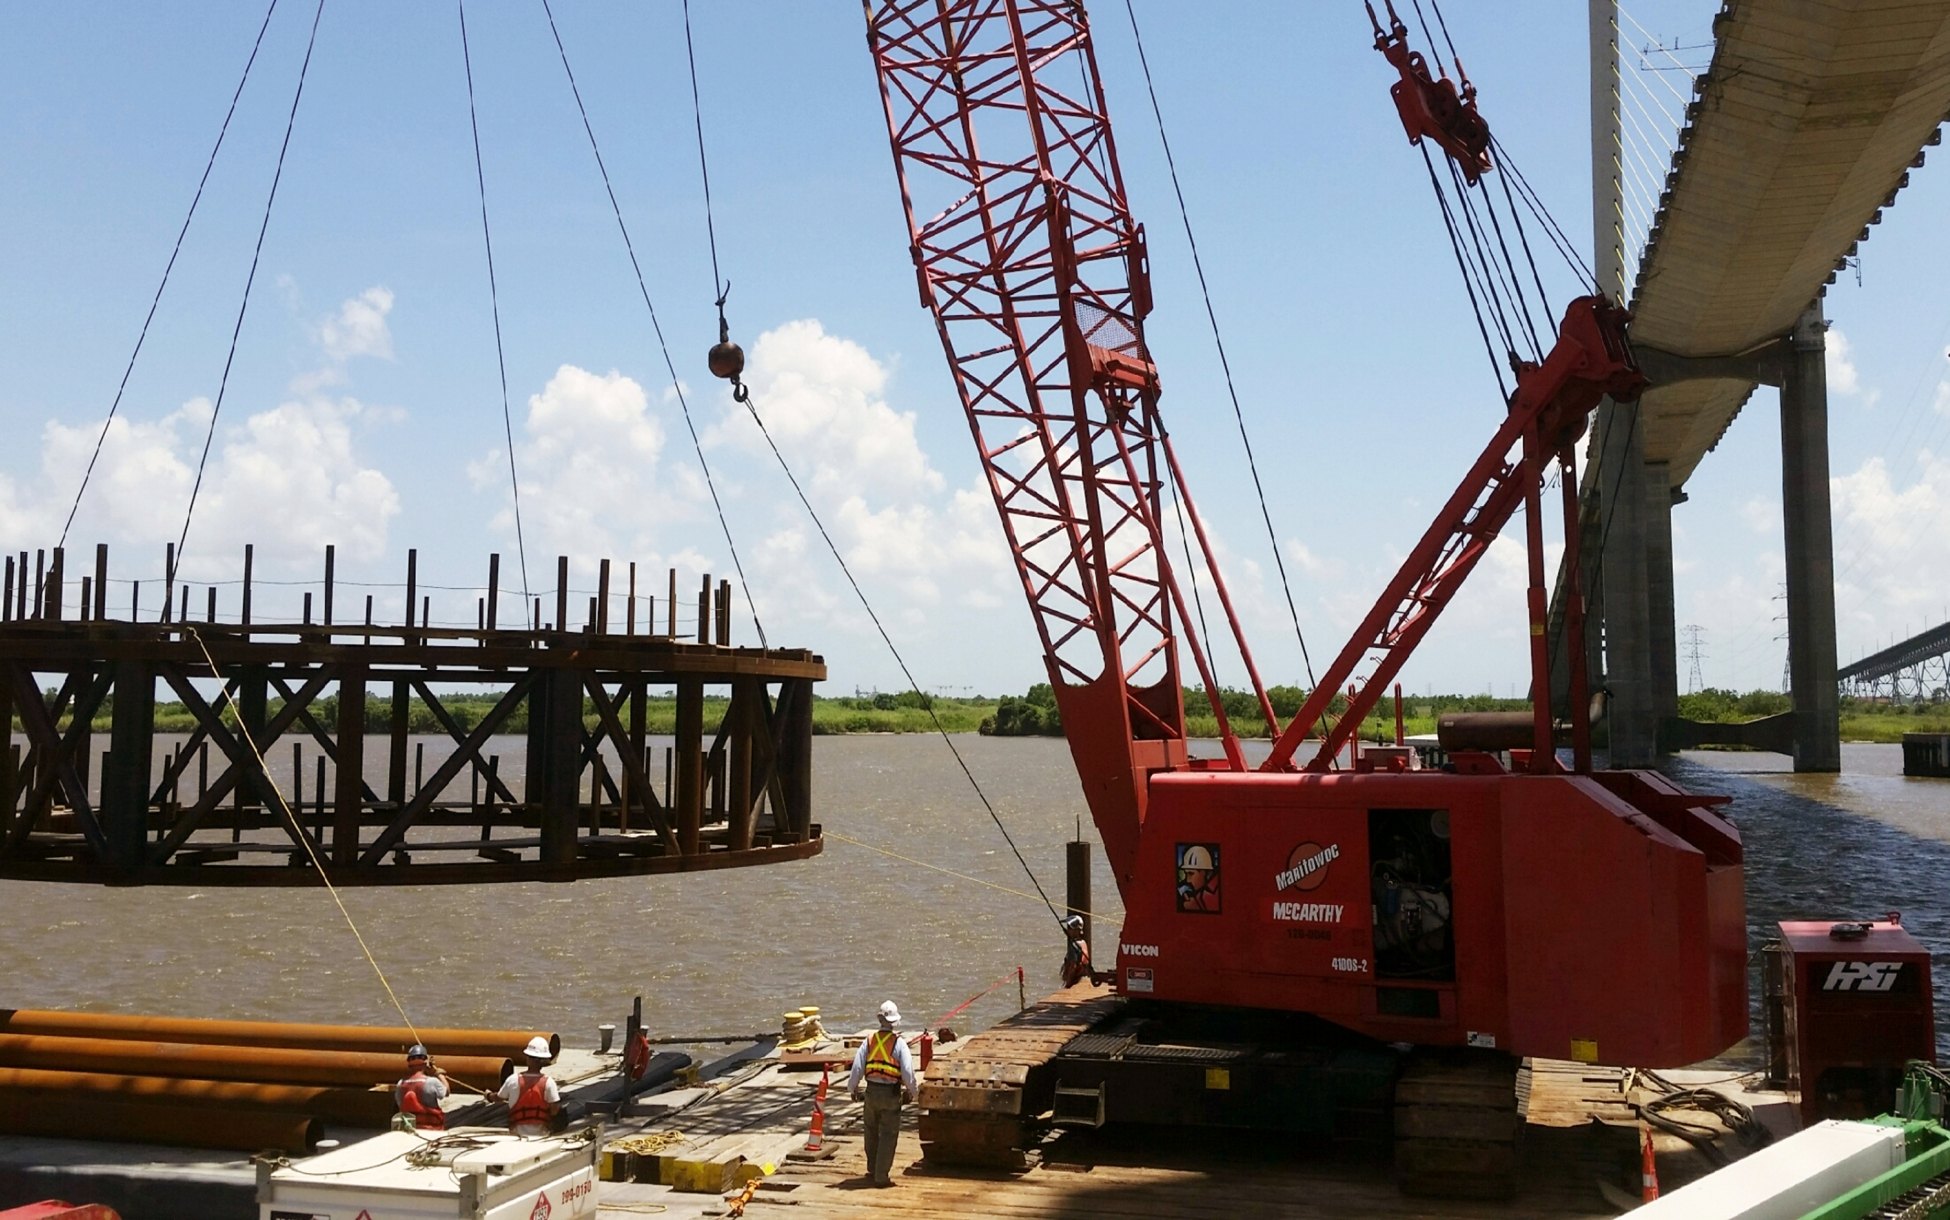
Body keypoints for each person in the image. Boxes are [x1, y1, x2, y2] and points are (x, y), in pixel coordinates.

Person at [847, 1000, 919, 1188]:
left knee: (870, 1131)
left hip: (871, 1092)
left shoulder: (869, 1041)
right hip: (890, 1095)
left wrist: (852, 1089)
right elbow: (908, 1072)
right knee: (888, 1134)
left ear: (879, 1019)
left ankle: (872, 1168)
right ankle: (881, 1176)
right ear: (896, 1022)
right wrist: (913, 1092)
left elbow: (857, 1068)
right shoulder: (899, 1044)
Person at [499, 1035, 562, 1136]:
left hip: (517, 1134)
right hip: (541, 1134)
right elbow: (554, 1109)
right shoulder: (549, 1082)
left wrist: (489, 1096)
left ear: (527, 1059)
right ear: (544, 1061)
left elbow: (499, 1097)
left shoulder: (513, 1080)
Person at [393, 1043, 450, 1131]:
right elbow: (447, 1092)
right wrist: (439, 1074)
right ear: (426, 1063)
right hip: (432, 1128)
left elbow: (400, 1103)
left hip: (408, 1128)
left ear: (409, 1064)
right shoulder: (432, 1082)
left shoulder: (400, 1084)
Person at [1059, 914, 1101, 987]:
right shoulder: (1083, 943)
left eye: (1070, 928)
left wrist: (1068, 984)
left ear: (1076, 930)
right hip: (1081, 978)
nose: (1068, 930)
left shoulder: (1074, 946)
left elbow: (1073, 966)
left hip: (1075, 980)